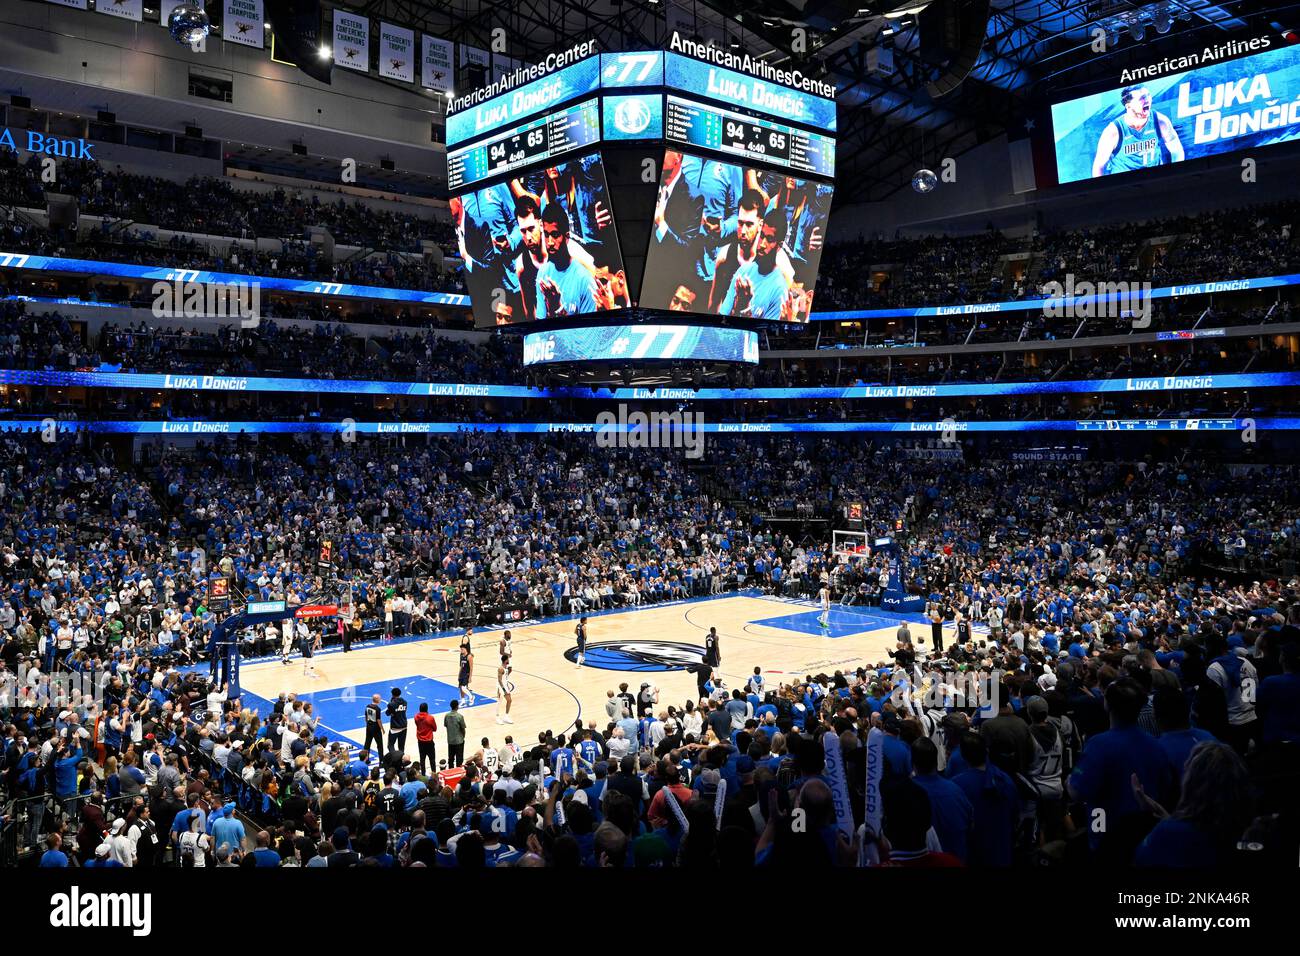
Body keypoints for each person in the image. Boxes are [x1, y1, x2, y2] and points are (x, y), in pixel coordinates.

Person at [415, 703, 438, 777]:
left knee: (422, 759)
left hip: (420, 741)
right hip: (429, 741)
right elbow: (435, 728)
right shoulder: (430, 718)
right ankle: (434, 774)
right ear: (427, 709)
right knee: (432, 759)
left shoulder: (416, 717)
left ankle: (423, 775)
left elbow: (417, 725)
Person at [445, 699, 467, 769]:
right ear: (457, 706)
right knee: (459, 759)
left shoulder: (446, 716)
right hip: (459, 741)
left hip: (450, 741)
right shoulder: (460, 716)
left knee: (450, 759)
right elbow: (463, 728)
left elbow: (446, 725)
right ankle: (459, 773)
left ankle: (451, 773)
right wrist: (463, 737)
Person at [386, 687, 409, 756]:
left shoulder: (391, 704)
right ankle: (401, 760)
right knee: (401, 746)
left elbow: (387, 713)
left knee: (390, 745)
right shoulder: (405, 702)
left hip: (395, 727)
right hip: (404, 726)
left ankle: (394, 758)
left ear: (392, 694)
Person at [363, 693, 385, 758]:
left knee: (367, 744)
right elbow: (378, 720)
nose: (381, 699)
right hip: (376, 729)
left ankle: (366, 759)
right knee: (379, 745)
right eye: (380, 698)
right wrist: (382, 729)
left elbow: (366, 717)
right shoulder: (377, 709)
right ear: (377, 699)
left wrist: (368, 724)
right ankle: (381, 760)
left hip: (369, 727)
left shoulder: (368, 706)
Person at [497, 655, 515, 725]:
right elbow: (499, 680)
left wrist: (510, 671)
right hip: (501, 686)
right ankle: (497, 717)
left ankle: (506, 716)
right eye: (508, 659)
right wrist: (503, 689)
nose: (509, 660)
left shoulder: (506, 668)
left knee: (509, 700)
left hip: (506, 685)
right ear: (505, 660)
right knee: (499, 702)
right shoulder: (500, 669)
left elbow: (506, 676)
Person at [458, 634, 475, 704]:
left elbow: (471, 668)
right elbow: (461, 666)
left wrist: (470, 677)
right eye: (461, 649)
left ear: (466, 649)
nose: (461, 650)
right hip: (462, 673)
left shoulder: (469, 656)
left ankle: (471, 696)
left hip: (467, 674)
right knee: (460, 688)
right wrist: (459, 674)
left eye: (462, 649)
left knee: (464, 688)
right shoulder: (462, 656)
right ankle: (463, 700)